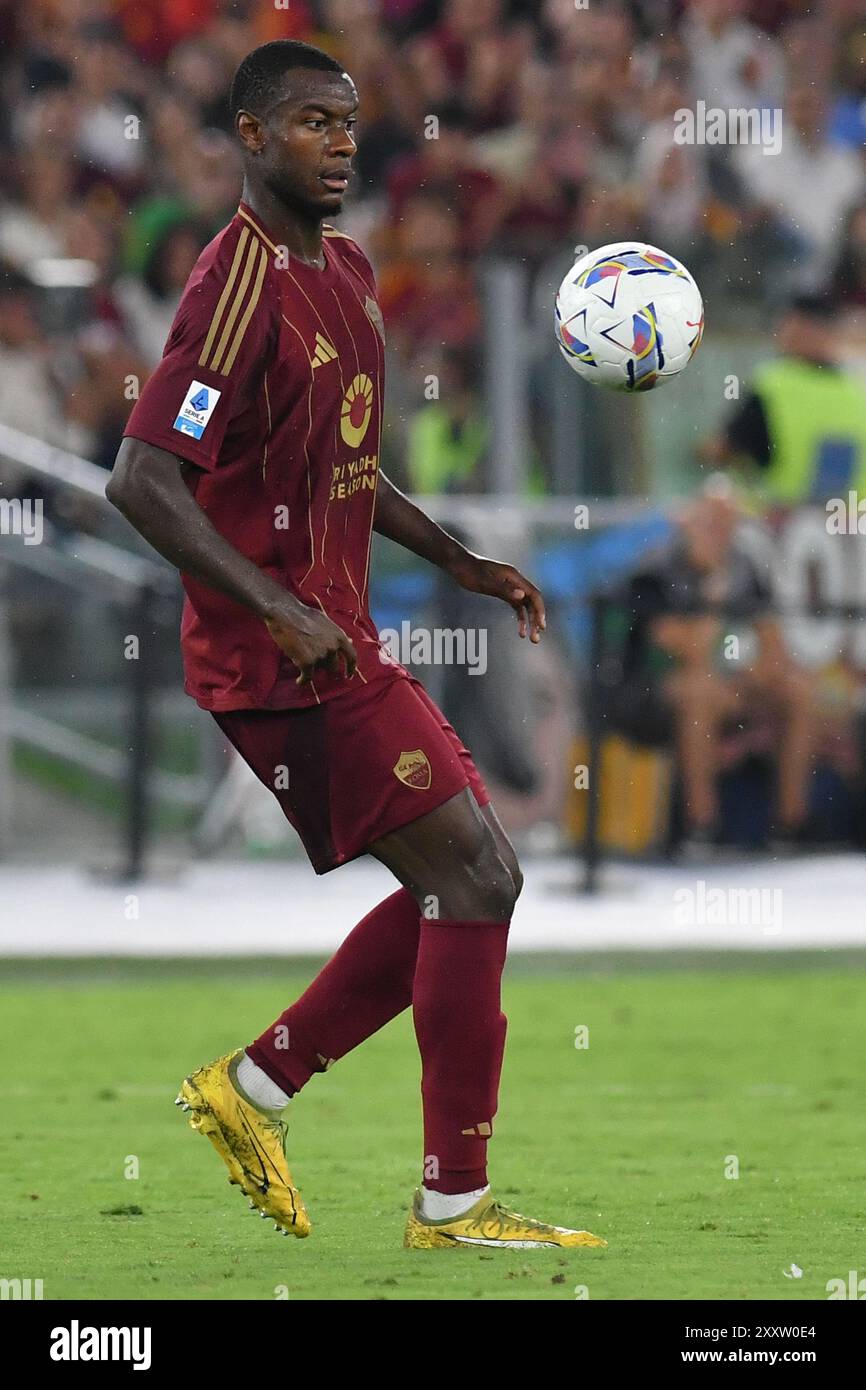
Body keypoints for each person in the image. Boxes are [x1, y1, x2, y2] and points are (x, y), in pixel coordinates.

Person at [107, 40, 605, 1253]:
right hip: (278, 657)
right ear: (251, 136)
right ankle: (449, 1205)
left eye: (347, 121)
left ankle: (256, 1090)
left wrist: (457, 560)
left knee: (466, 877)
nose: (338, 142)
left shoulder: (344, 266)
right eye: (311, 122)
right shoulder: (234, 283)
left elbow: (347, 460)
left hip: (337, 639)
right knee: (476, 878)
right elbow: (143, 482)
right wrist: (276, 608)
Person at [607, 487, 815, 844]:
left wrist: (755, 672)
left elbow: (773, 644)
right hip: (649, 693)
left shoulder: (744, 566)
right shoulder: (655, 572)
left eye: (728, 524)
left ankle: (791, 823)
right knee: (699, 691)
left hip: (726, 683)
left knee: (800, 690)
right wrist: (712, 590)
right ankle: (700, 823)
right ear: (689, 522)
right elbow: (690, 652)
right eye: (712, 523)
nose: (721, 534)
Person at [703, 296, 866, 505]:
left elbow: (723, 448)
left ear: (802, 328)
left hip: (779, 524)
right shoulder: (857, 390)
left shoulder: (773, 384)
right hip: (848, 525)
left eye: (787, 325)